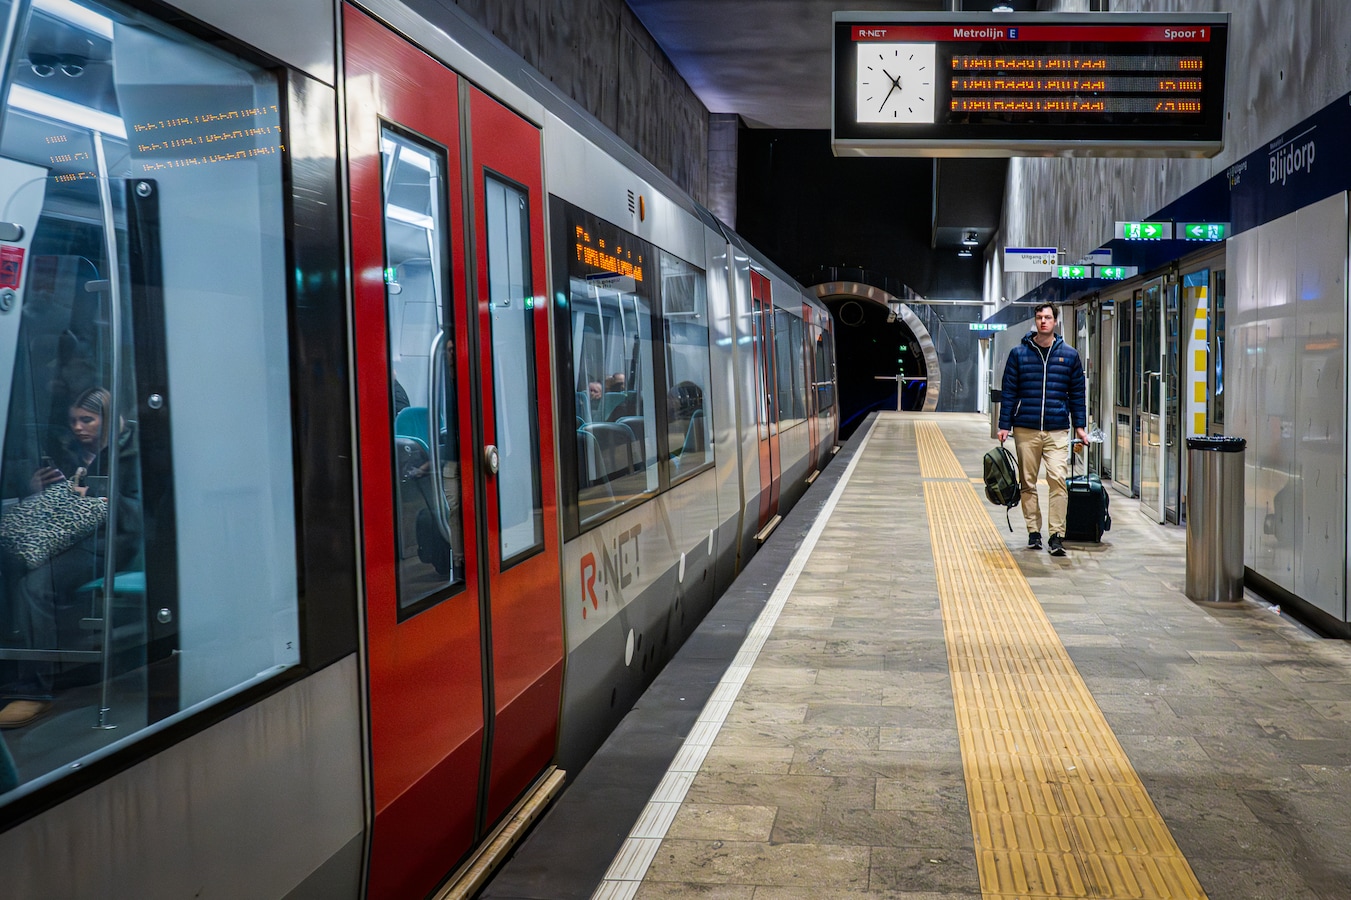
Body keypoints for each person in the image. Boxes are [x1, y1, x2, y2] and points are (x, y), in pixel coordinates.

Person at [0, 387, 140, 728]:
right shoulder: (70, 450)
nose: (78, 428)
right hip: (70, 535)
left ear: (110, 419)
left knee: (37, 587)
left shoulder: (136, 452)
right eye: (73, 421)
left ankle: (35, 691)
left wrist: (93, 493)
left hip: (111, 542)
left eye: (87, 420)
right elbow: (57, 505)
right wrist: (40, 489)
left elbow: (138, 517)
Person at [997, 303, 1088, 557]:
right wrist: (1004, 425)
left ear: (1055, 321)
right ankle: (1033, 532)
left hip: (1057, 429)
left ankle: (1057, 535)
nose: (1043, 322)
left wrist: (1080, 427)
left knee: (1058, 480)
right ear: (1035, 321)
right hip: (1025, 428)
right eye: (1039, 318)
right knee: (1027, 482)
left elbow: (1077, 394)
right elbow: (1009, 391)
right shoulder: (1019, 354)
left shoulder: (1069, 355)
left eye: (1048, 317)